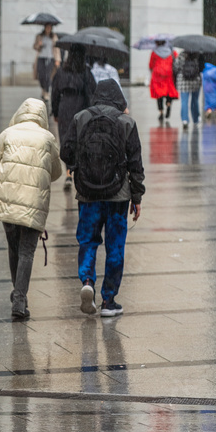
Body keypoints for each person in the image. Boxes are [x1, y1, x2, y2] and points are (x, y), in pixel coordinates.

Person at [61, 79, 145, 318]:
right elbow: (136, 164)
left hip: (87, 194)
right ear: (119, 97)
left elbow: (65, 151)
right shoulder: (127, 122)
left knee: (88, 241)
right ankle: (109, 300)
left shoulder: (81, 118)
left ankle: (87, 280)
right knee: (115, 246)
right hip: (118, 195)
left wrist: (78, 166)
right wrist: (137, 197)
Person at [0, 98, 64, 320]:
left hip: (8, 200)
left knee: (14, 248)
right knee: (27, 251)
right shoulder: (48, 138)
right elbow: (57, 172)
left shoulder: (8, 133)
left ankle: (19, 296)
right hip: (34, 202)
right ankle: (19, 299)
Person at [51, 43, 96, 187]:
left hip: (65, 107)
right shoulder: (86, 71)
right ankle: (80, 169)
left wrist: (56, 111)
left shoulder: (61, 71)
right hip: (81, 107)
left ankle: (68, 172)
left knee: (65, 140)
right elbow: (91, 92)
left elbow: (55, 93)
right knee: (81, 139)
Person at [149, 40, 178, 123]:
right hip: (169, 74)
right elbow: (176, 60)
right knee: (169, 91)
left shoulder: (154, 52)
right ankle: (168, 105)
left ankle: (161, 112)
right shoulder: (172, 51)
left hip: (157, 75)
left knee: (159, 94)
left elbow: (150, 65)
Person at [174, 51, 203, 128]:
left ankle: (185, 120)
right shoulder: (198, 55)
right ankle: (196, 119)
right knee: (195, 100)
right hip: (195, 81)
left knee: (184, 101)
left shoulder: (181, 55)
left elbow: (176, 67)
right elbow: (202, 68)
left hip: (183, 81)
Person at [33, 24, 59, 101]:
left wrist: (57, 59)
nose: (48, 29)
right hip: (41, 57)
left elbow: (57, 48)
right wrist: (39, 44)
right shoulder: (39, 36)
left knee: (48, 75)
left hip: (51, 58)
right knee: (41, 75)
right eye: (47, 27)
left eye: (50, 27)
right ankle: (43, 89)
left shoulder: (54, 36)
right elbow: (35, 47)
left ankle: (47, 92)